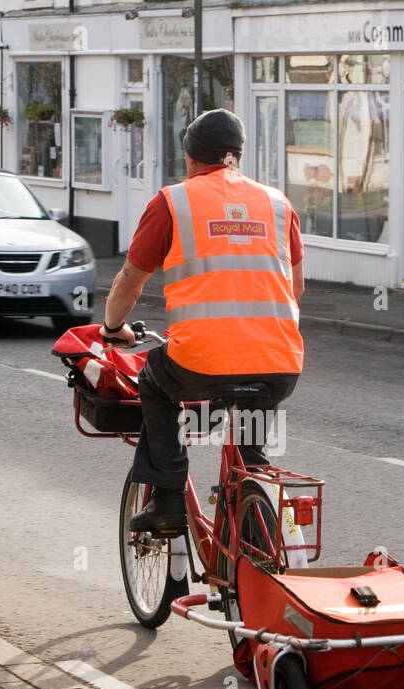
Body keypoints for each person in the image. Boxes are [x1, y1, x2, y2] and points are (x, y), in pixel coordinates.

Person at [102, 108, 305, 535]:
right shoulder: (277, 203)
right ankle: (254, 492)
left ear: (191, 158)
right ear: (236, 156)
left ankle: (169, 500)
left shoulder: (172, 201)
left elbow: (129, 282)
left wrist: (110, 328)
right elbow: (295, 288)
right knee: (251, 443)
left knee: (155, 384)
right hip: (281, 362)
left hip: (200, 362)